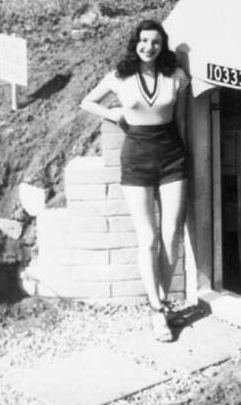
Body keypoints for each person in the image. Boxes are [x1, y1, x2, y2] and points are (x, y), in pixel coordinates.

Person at [80, 18, 189, 342]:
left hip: (172, 157)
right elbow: (87, 101)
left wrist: (185, 157)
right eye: (144, 41)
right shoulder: (120, 76)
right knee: (149, 238)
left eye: (155, 42)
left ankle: (163, 303)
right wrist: (113, 115)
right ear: (135, 43)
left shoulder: (176, 77)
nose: (149, 47)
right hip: (137, 160)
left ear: (162, 45)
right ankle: (157, 311)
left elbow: (181, 122)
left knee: (171, 236)